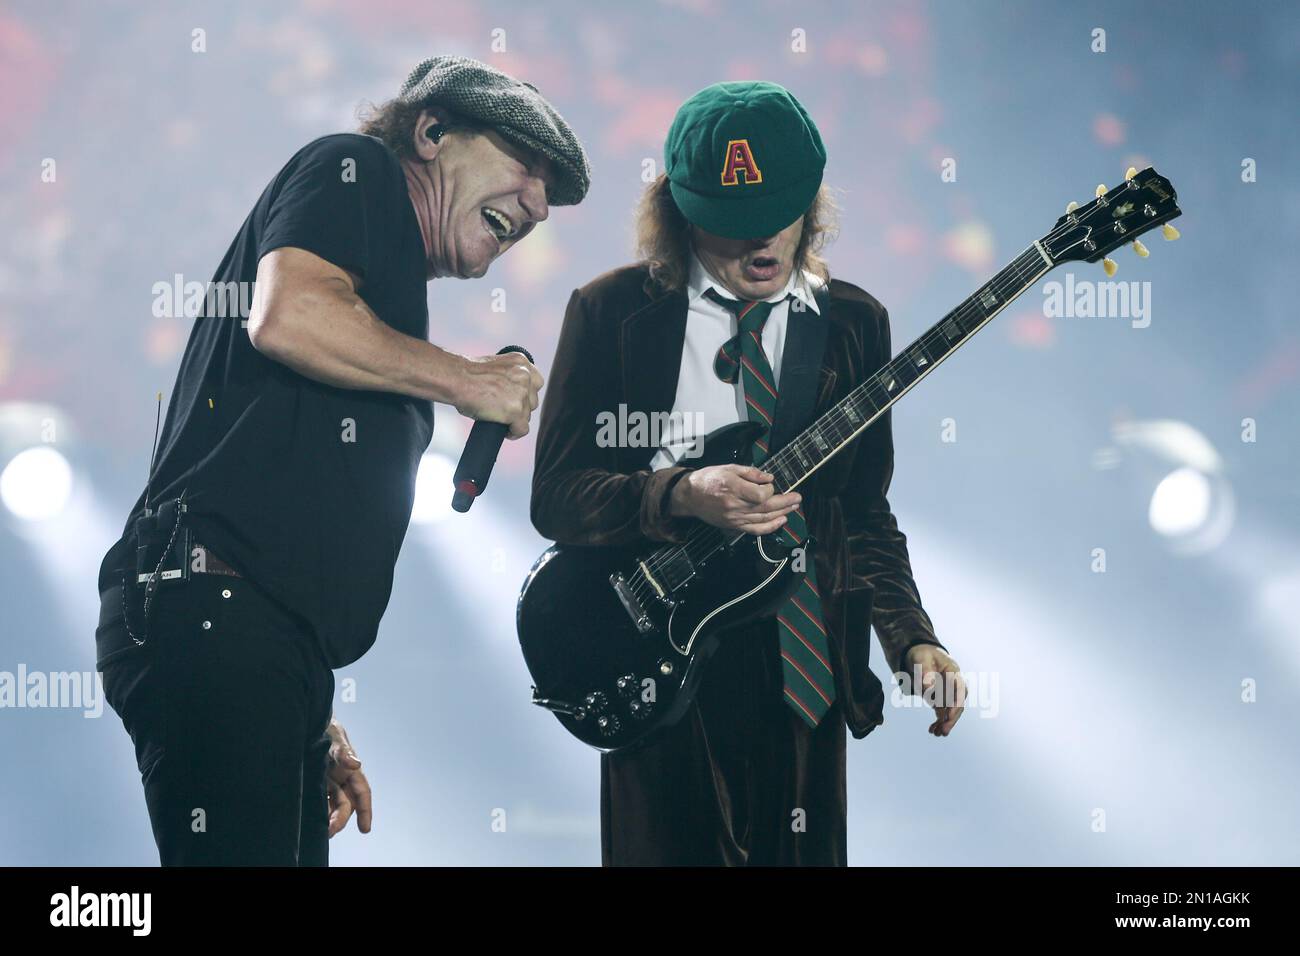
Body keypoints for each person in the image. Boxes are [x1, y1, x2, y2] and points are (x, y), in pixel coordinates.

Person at [95, 55, 590, 866]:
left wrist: (307, 711)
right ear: (430, 132)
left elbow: (281, 487)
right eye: (524, 166)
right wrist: (468, 380)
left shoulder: (384, 300)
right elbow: (286, 316)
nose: (538, 203)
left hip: (253, 632)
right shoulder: (352, 167)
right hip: (213, 608)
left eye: (550, 196)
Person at [530, 80, 964, 865]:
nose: (761, 246)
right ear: (678, 211)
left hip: (804, 664)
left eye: (781, 218)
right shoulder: (611, 313)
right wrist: (681, 494)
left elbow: (862, 511)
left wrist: (911, 640)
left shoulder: (854, 324)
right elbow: (557, 498)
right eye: (731, 227)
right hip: (660, 662)